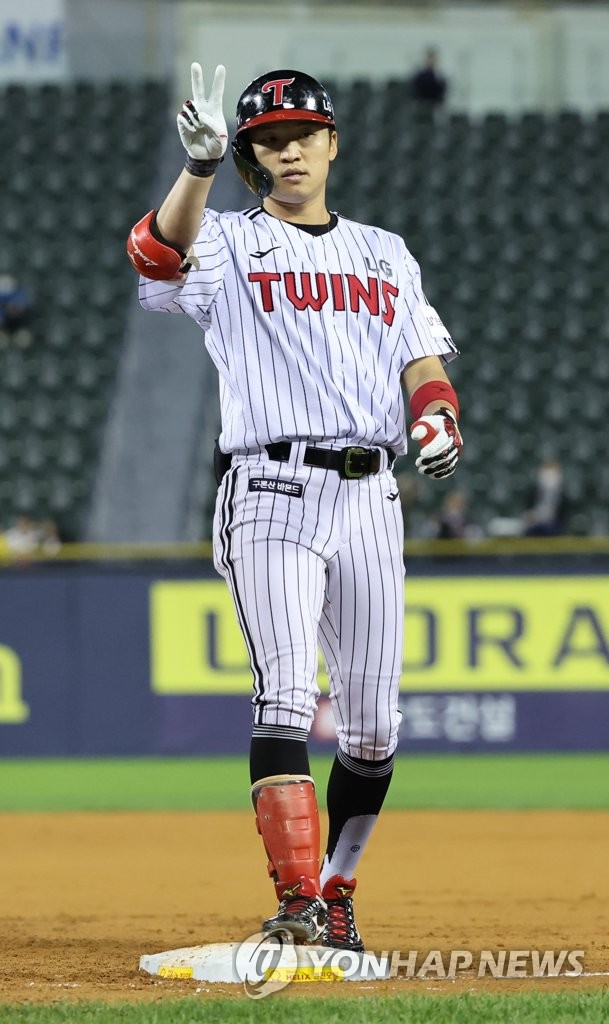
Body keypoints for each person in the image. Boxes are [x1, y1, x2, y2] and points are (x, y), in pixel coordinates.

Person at [128, 64, 462, 951]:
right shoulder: (229, 241)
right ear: (249, 157)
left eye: (301, 134)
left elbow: (422, 361)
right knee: (282, 699)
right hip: (270, 488)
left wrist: (436, 414)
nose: (287, 149)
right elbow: (156, 257)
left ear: (330, 143)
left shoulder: (384, 251)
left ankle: (339, 889)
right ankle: (297, 899)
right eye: (267, 139)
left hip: (371, 496)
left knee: (373, 727)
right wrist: (195, 169)